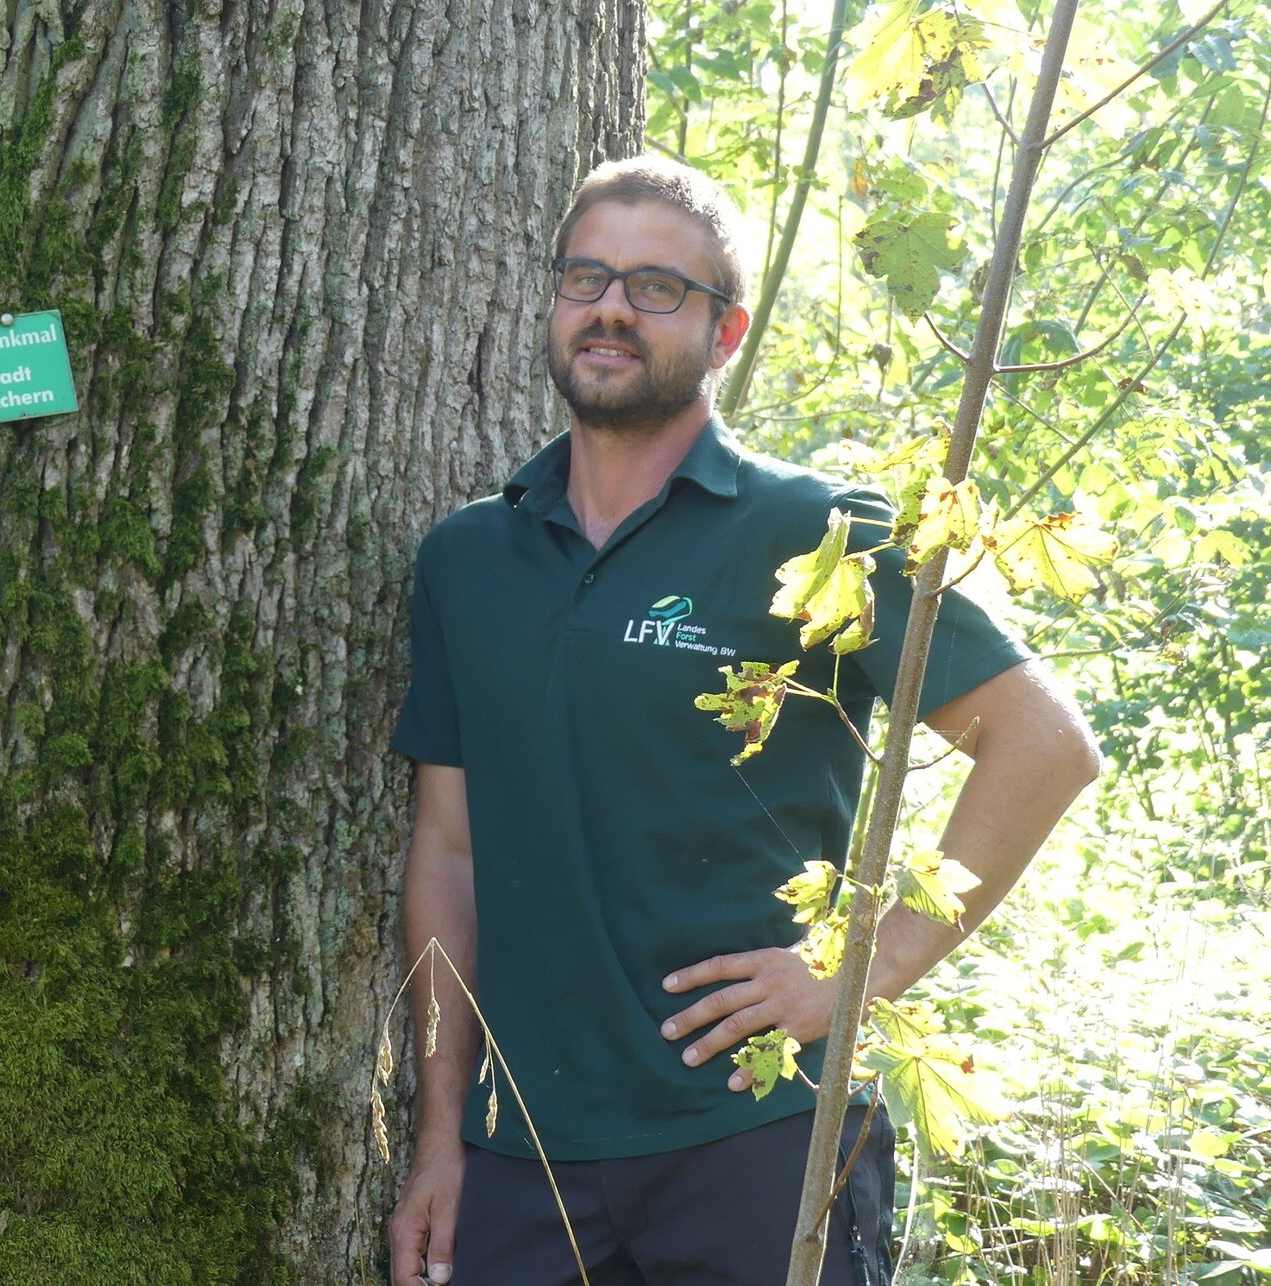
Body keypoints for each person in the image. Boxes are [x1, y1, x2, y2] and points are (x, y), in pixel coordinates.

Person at [385, 156, 1100, 1286]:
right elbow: (449, 850)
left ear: (725, 333)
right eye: (585, 276)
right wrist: (437, 1134)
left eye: (656, 286)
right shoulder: (467, 558)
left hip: (760, 1132)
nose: (611, 305)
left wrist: (859, 968)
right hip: (517, 1153)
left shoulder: (819, 531)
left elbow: (1043, 743)